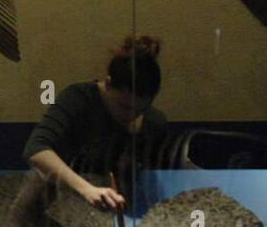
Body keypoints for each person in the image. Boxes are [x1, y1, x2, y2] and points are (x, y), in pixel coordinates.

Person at [23, 36, 168, 211]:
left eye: (140, 110)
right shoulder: (78, 100)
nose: (131, 116)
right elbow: (36, 150)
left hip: (120, 211)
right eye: (124, 106)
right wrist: (87, 190)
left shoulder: (154, 123)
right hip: (62, 202)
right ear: (107, 84)